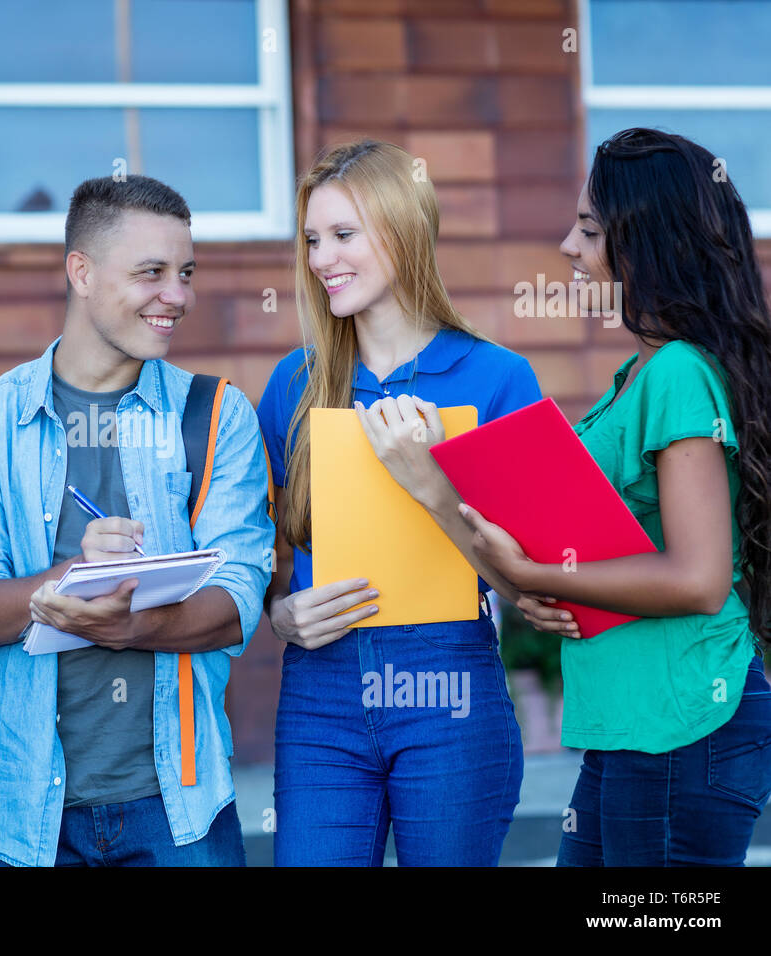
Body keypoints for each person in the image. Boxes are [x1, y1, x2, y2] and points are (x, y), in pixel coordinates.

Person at [0, 175, 274, 867]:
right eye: (151, 273)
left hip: (178, 806)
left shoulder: (216, 414)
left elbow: (238, 601)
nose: (177, 296)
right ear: (80, 272)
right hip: (26, 813)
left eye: (185, 273)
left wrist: (131, 624)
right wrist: (70, 581)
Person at [453, 128, 771, 866]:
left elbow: (695, 578)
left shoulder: (678, 375)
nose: (568, 245)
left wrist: (537, 577)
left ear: (650, 243)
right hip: (634, 720)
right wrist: (551, 592)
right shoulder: (641, 372)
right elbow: (621, 550)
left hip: (680, 720)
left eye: (590, 230)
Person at [256, 140, 542, 866]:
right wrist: (279, 612)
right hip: (321, 694)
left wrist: (432, 486)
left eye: (343, 235)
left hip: (451, 687)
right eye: (313, 239)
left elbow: (535, 585)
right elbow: (266, 551)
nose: (322, 259)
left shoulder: (497, 377)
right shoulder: (294, 382)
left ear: (402, 231)